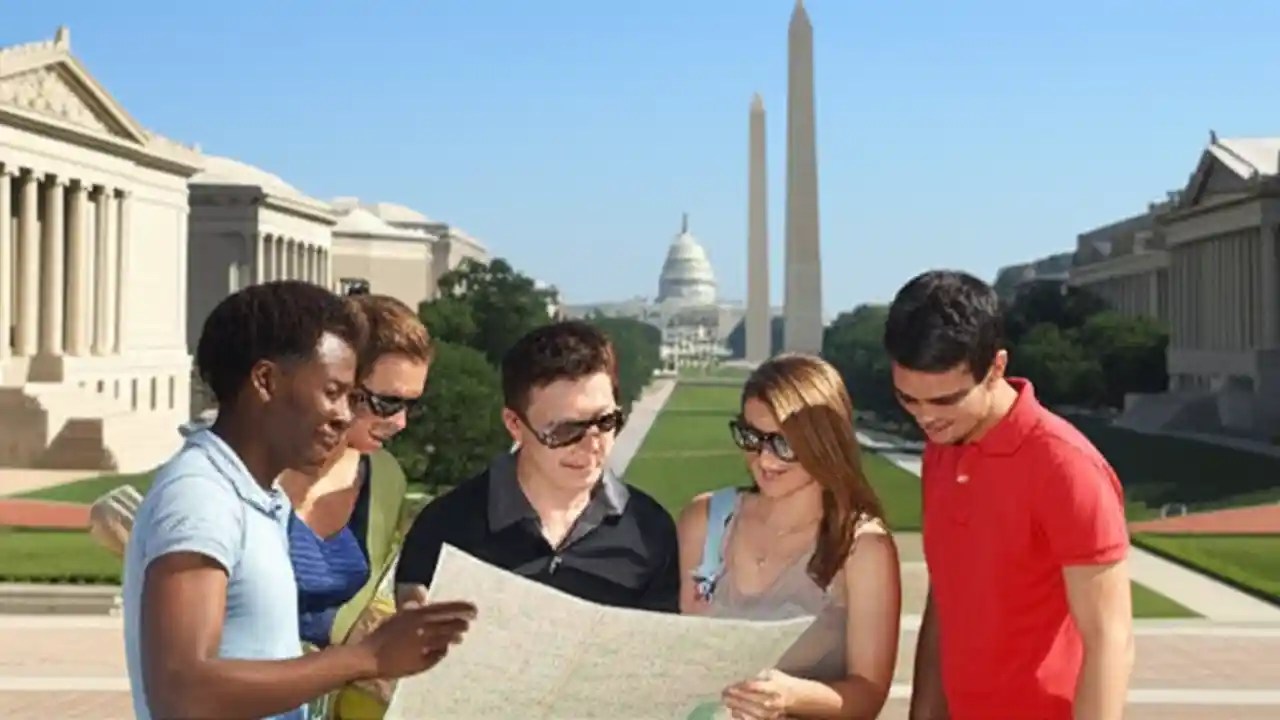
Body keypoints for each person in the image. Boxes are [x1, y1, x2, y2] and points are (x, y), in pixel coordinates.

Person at [120, 281, 476, 720]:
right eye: (334, 392)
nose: (344, 415)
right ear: (266, 381)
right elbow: (182, 694)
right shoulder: (202, 497)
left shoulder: (255, 496)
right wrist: (367, 658)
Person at [884, 270, 1133, 720]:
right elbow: (947, 599)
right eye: (908, 399)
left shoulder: (1065, 467)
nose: (925, 418)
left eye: (944, 400)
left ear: (996, 367)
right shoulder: (942, 448)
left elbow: (1109, 640)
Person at [394, 319, 680, 612]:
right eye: (565, 430)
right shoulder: (445, 529)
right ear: (514, 425)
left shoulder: (651, 531)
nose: (592, 444)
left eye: (606, 422)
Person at [676, 353, 901, 720]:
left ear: (824, 441)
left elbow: (868, 695)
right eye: (751, 437)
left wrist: (792, 696)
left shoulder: (862, 548)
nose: (764, 460)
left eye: (784, 444)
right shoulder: (704, 520)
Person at [275, 292, 434, 719]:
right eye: (387, 403)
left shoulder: (385, 478)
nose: (400, 422)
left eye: (411, 405)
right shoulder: (252, 468)